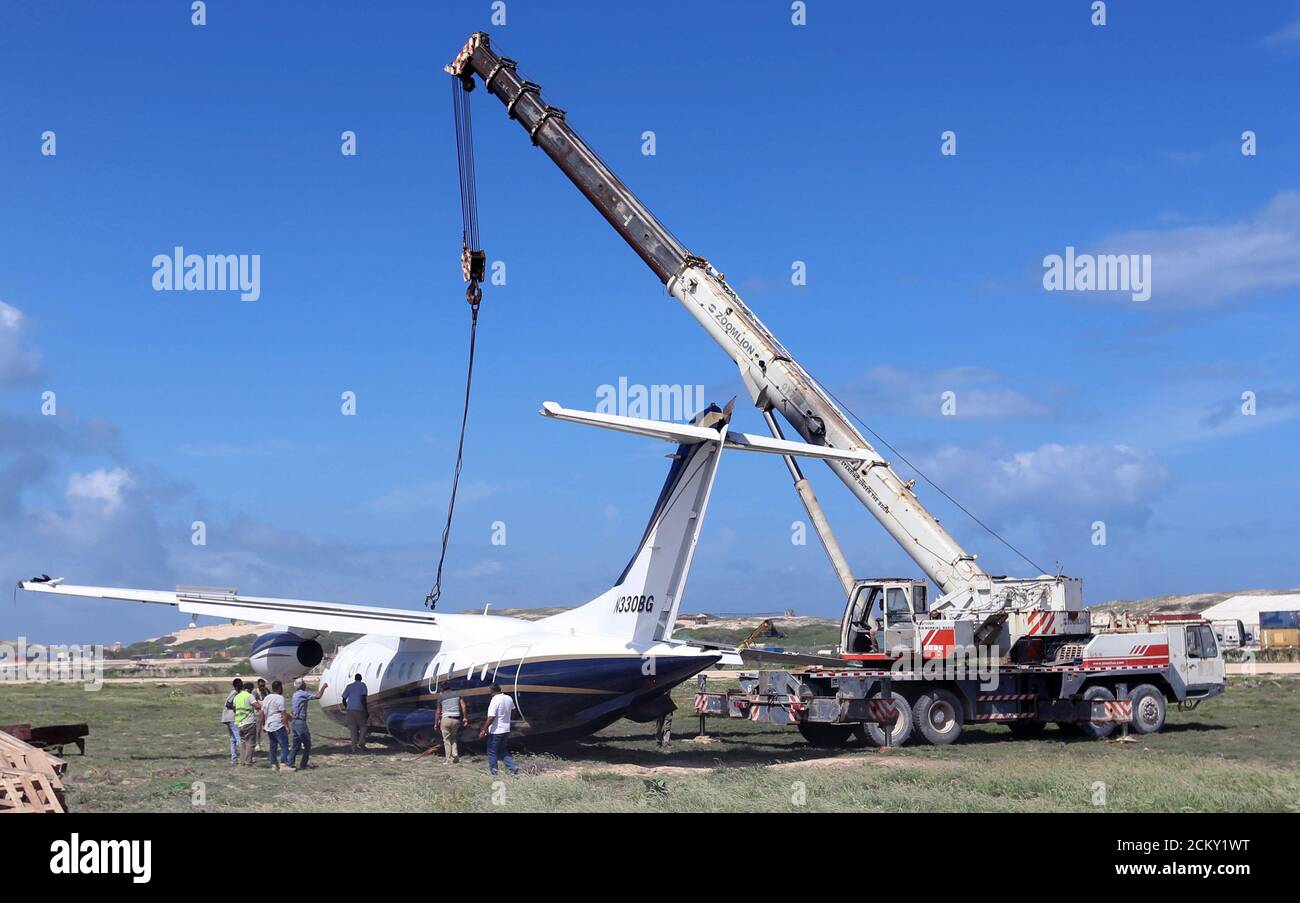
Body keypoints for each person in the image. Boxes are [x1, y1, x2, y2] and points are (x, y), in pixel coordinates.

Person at [478, 683, 520, 776]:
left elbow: (491, 717)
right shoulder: (508, 698)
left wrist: (484, 730)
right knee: (502, 750)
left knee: (492, 752)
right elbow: (514, 710)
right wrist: (508, 718)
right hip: (506, 729)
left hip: (496, 731)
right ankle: (512, 767)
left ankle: (494, 773)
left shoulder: (495, 700)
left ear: (491, 691)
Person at [288, 678, 327, 770]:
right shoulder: (302, 694)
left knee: (296, 745)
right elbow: (318, 696)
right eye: (304, 683)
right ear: (302, 685)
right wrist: (323, 687)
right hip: (300, 722)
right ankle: (303, 764)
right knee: (307, 744)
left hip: (294, 721)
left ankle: (290, 763)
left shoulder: (295, 694)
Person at [435, 680, 467, 764]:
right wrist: (465, 718)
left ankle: (448, 759)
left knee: (446, 740)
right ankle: (455, 754)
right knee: (453, 738)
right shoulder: (457, 694)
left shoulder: (441, 696)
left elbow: (438, 712)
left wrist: (436, 723)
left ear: (442, 688)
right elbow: (463, 706)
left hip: (446, 719)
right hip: (456, 719)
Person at [261, 680, 290, 771]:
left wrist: (263, 724)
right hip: (278, 724)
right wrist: (286, 726)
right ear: (280, 688)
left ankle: (273, 764)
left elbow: (262, 712)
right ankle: (283, 764)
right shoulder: (280, 698)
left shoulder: (267, 698)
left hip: (269, 724)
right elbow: (283, 713)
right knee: (284, 745)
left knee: (273, 745)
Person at [233, 680, 262, 766]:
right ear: (249, 689)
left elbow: (234, 709)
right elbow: (257, 706)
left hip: (239, 722)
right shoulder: (249, 696)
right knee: (250, 743)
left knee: (243, 743)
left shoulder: (237, 697)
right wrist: (261, 704)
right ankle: (248, 762)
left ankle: (242, 761)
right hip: (248, 722)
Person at [341, 673, 369, 752]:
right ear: (361, 678)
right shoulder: (363, 685)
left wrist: (347, 706)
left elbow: (343, 698)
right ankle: (361, 741)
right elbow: (363, 698)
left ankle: (353, 748)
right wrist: (366, 710)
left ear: (355, 678)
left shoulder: (349, 686)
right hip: (360, 708)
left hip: (350, 709)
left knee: (353, 729)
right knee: (363, 726)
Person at [221, 678, 244, 766]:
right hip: (231, 718)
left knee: (233, 739)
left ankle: (234, 759)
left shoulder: (237, 693)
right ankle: (243, 758)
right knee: (238, 738)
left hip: (229, 718)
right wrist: (237, 707)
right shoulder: (234, 693)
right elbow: (228, 704)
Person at [253, 678, 269, 750]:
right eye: (261, 686)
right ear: (258, 685)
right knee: (258, 729)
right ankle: (257, 743)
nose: (262, 687)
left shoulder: (267, 691)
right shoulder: (255, 692)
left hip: (267, 711)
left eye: (263, 685)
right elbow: (254, 702)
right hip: (258, 712)